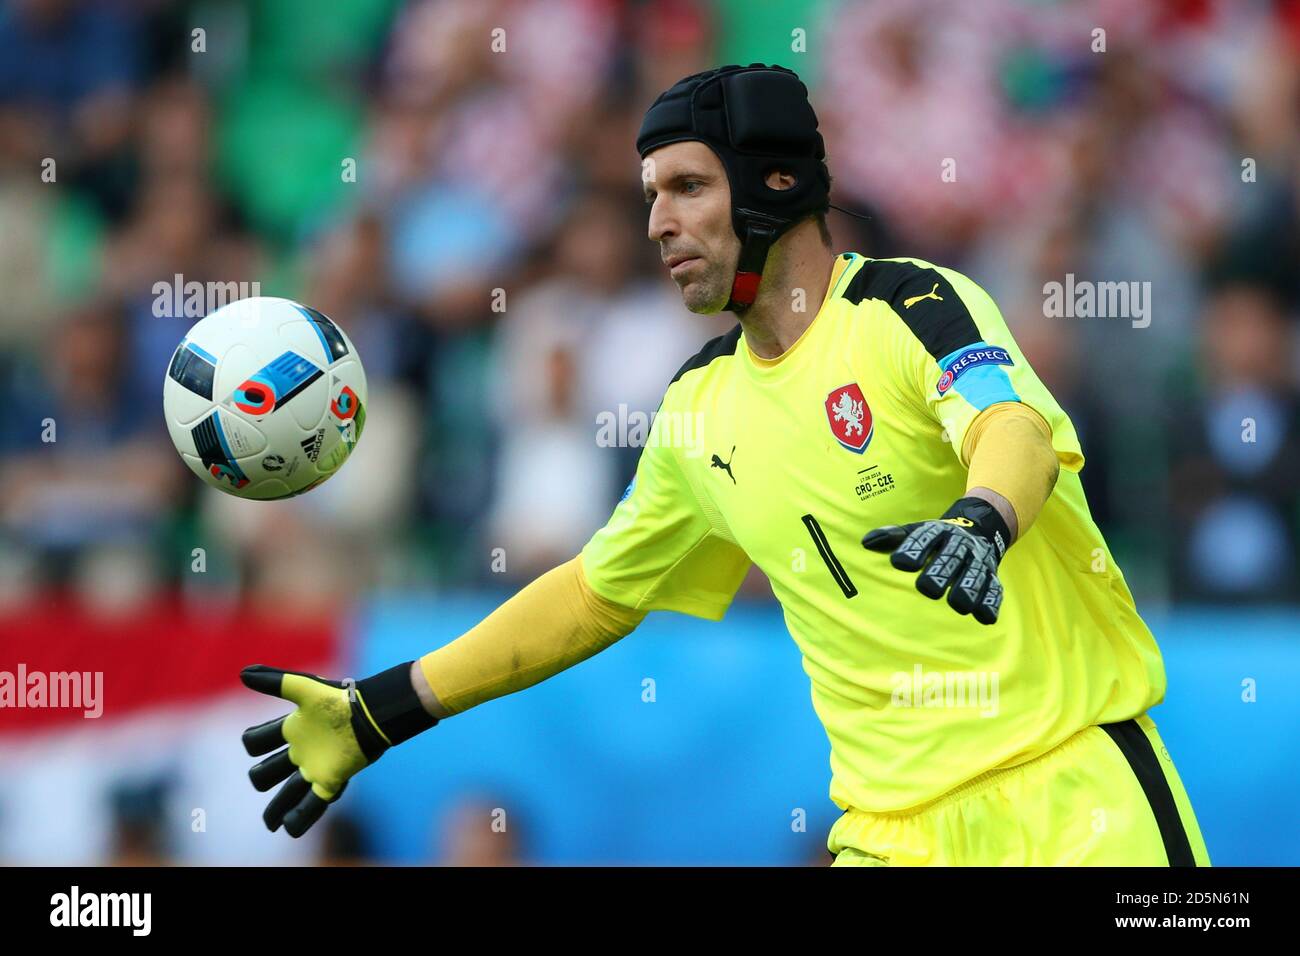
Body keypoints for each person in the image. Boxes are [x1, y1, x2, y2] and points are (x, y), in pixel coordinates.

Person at [238, 64, 1210, 866]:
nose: (658, 221)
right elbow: (590, 593)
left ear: (776, 184)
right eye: (650, 195)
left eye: (687, 187)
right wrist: (383, 707)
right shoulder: (698, 408)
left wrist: (982, 517)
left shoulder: (907, 306)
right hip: (892, 834)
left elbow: (1012, 427)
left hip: (1074, 796)